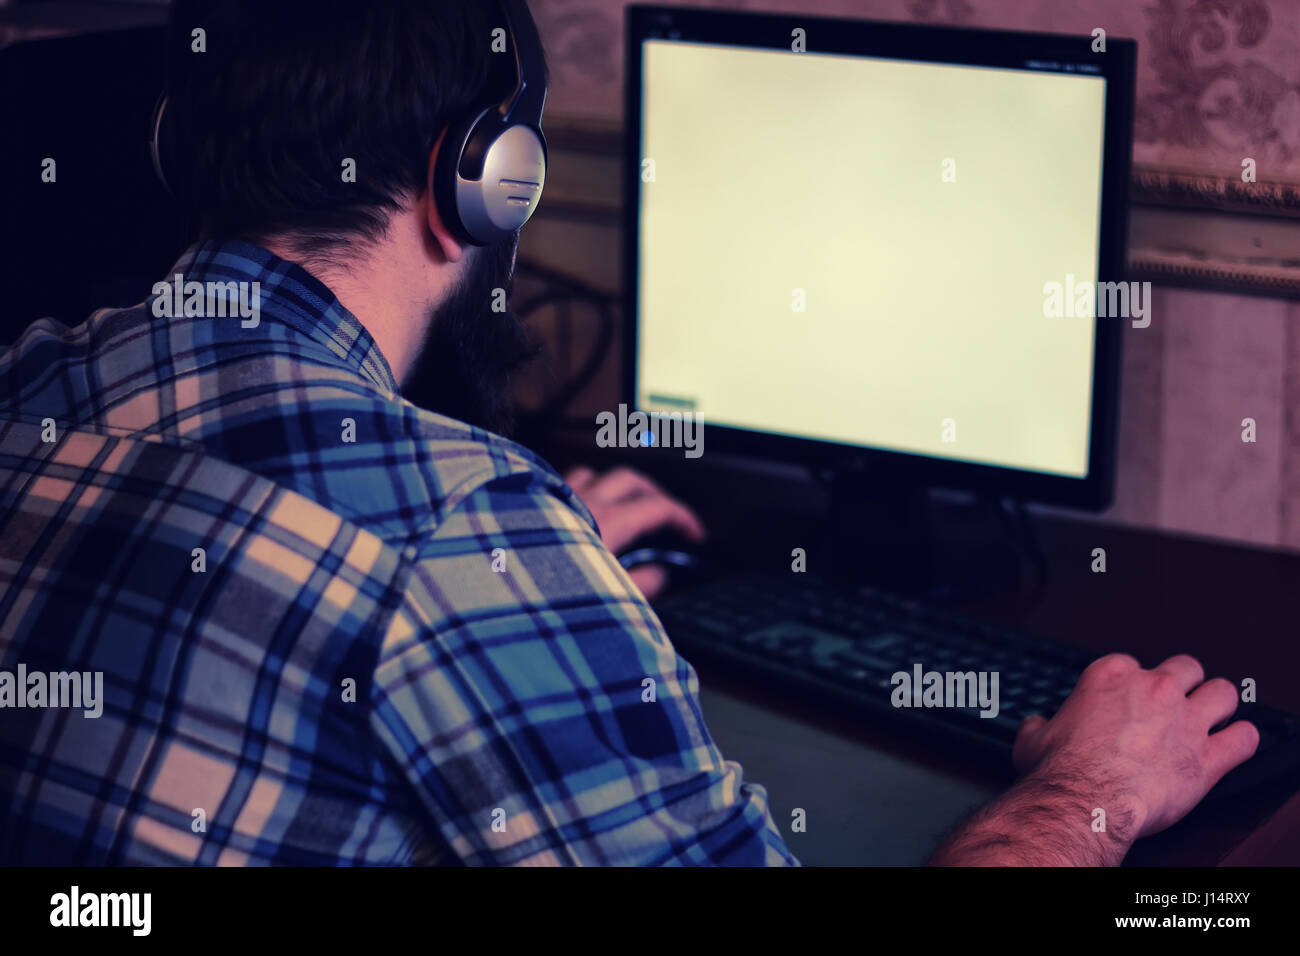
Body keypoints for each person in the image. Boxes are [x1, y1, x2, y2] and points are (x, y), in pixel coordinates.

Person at [0, 0, 1256, 866]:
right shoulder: (453, 533)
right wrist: (1088, 793)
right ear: (485, 177)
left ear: (175, 147)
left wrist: (514, 577)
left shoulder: (37, 381)